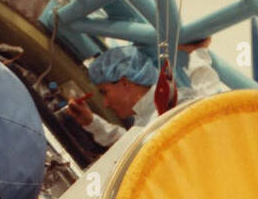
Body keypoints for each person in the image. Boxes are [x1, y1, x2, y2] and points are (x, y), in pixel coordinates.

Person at [65, 40, 227, 147]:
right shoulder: (146, 118)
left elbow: (211, 106)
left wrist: (197, 54)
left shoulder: (172, 106)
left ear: (125, 83)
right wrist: (91, 122)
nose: (105, 103)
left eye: (104, 92)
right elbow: (131, 146)